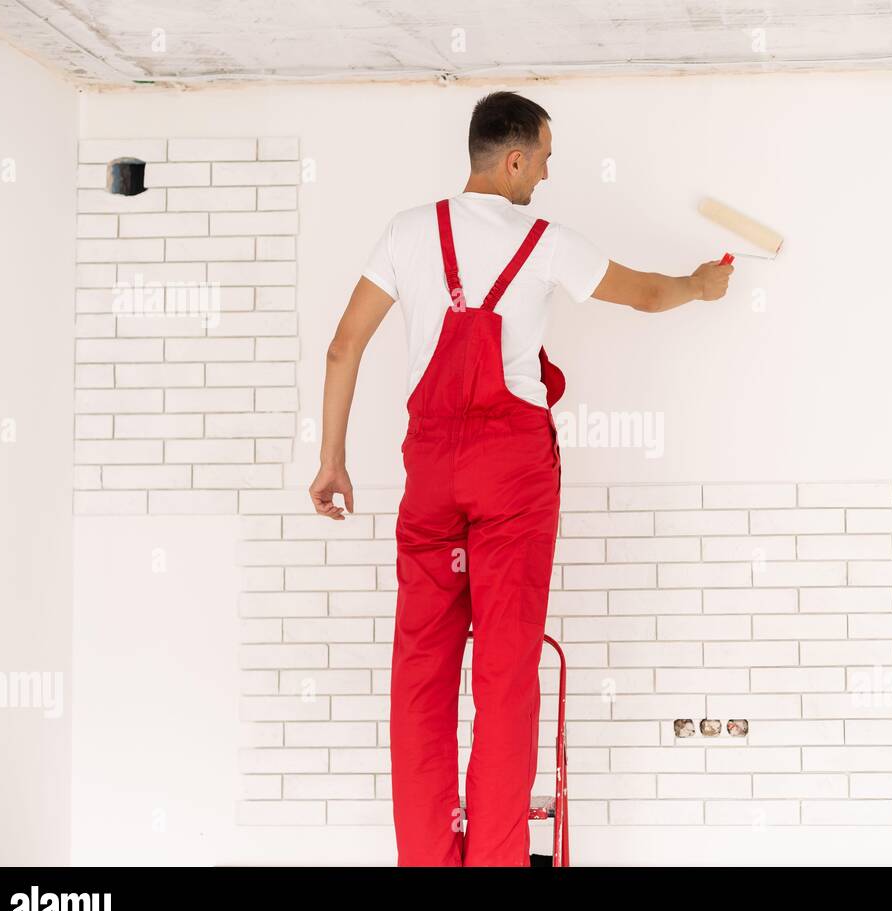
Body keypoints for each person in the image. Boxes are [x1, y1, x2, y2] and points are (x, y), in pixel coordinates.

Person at [309, 90, 732, 866]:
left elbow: (342, 347)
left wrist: (331, 459)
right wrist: (700, 285)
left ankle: (429, 857)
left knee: (420, 678)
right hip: (511, 482)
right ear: (512, 159)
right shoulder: (543, 242)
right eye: (542, 156)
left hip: (431, 475)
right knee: (505, 676)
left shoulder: (407, 233)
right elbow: (643, 294)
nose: (545, 171)